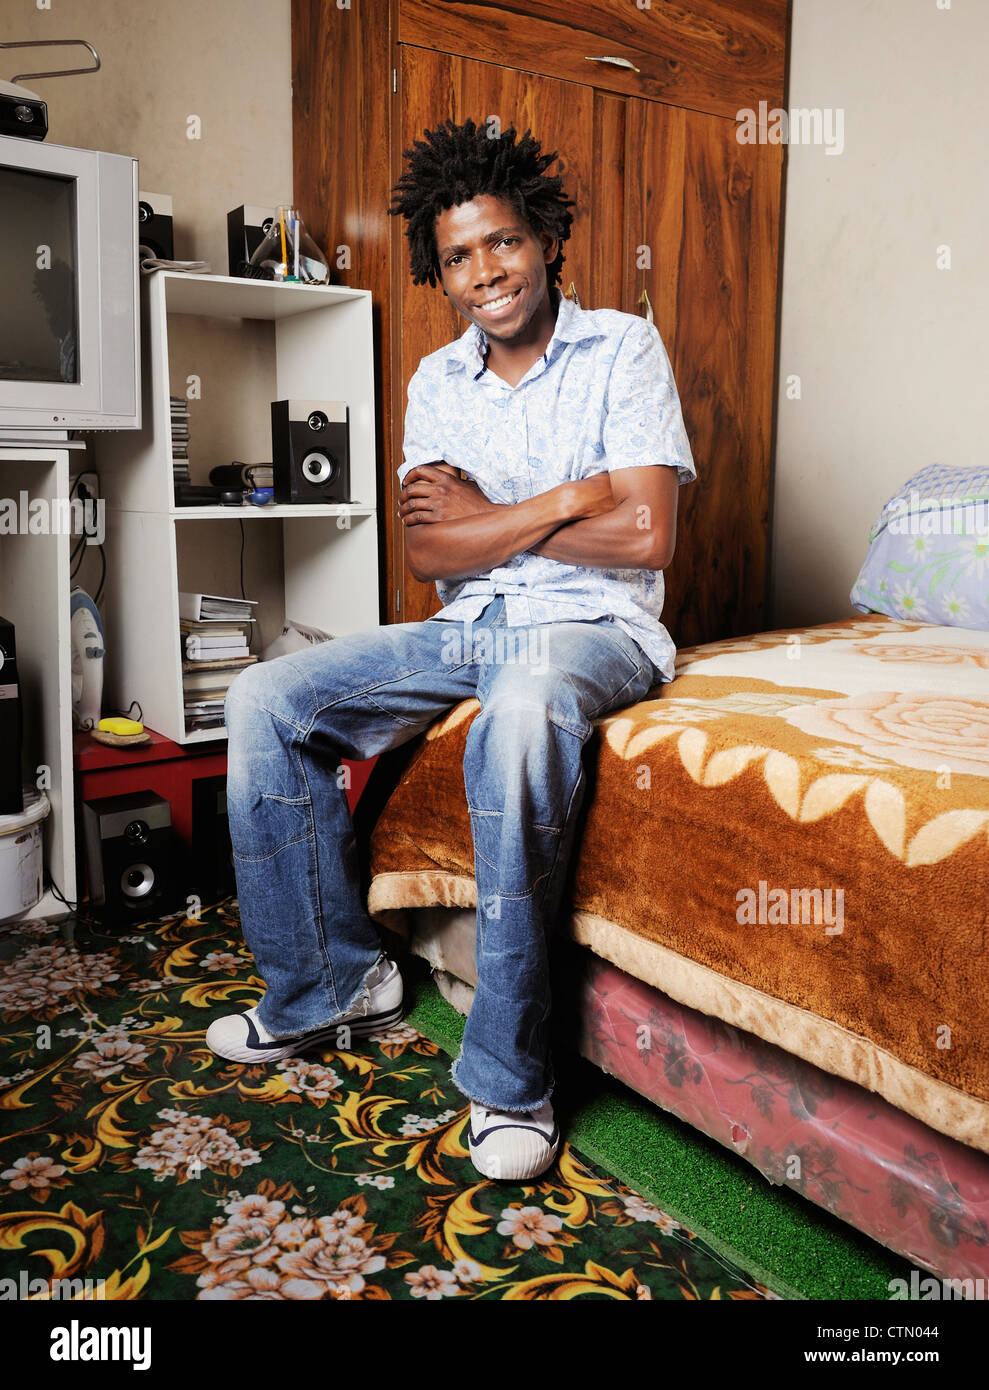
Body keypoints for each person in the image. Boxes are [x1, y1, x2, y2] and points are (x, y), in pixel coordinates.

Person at [207, 117, 696, 1182]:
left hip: (592, 625)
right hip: (465, 625)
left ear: (548, 239)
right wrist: (569, 497)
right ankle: (330, 986)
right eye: (461, 255)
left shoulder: (623, 349)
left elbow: (645, 534)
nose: (486, 272)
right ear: (441, 269)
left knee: (524, 706)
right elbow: (432, 551)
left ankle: (510, 1079)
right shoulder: (438, 380)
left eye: (504, 243)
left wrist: (499, 511)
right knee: (263, 698)